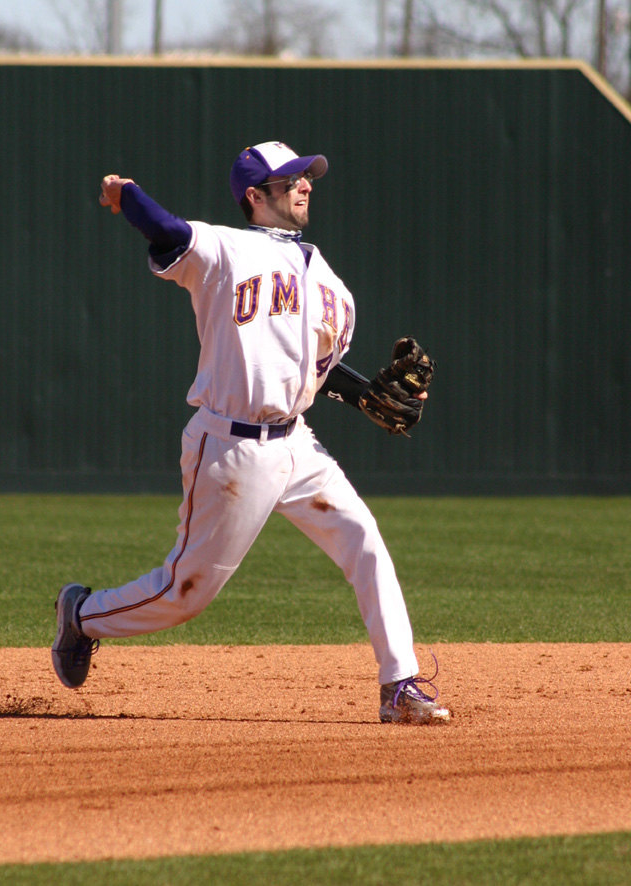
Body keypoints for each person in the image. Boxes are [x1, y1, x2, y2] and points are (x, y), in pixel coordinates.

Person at [51, 141, 450, 725]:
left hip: (298, 444)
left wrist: (362, 391)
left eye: (306, 177)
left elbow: (308, 362)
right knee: (183, 596)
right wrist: (126, 194)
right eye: (290, 180)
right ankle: (82, 615)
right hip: (231, 448)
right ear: (255, 197)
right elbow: (166, 231)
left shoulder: (325, 277)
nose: (305, 185)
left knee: (364, 540)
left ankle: (400, 684)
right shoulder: (225, 250)